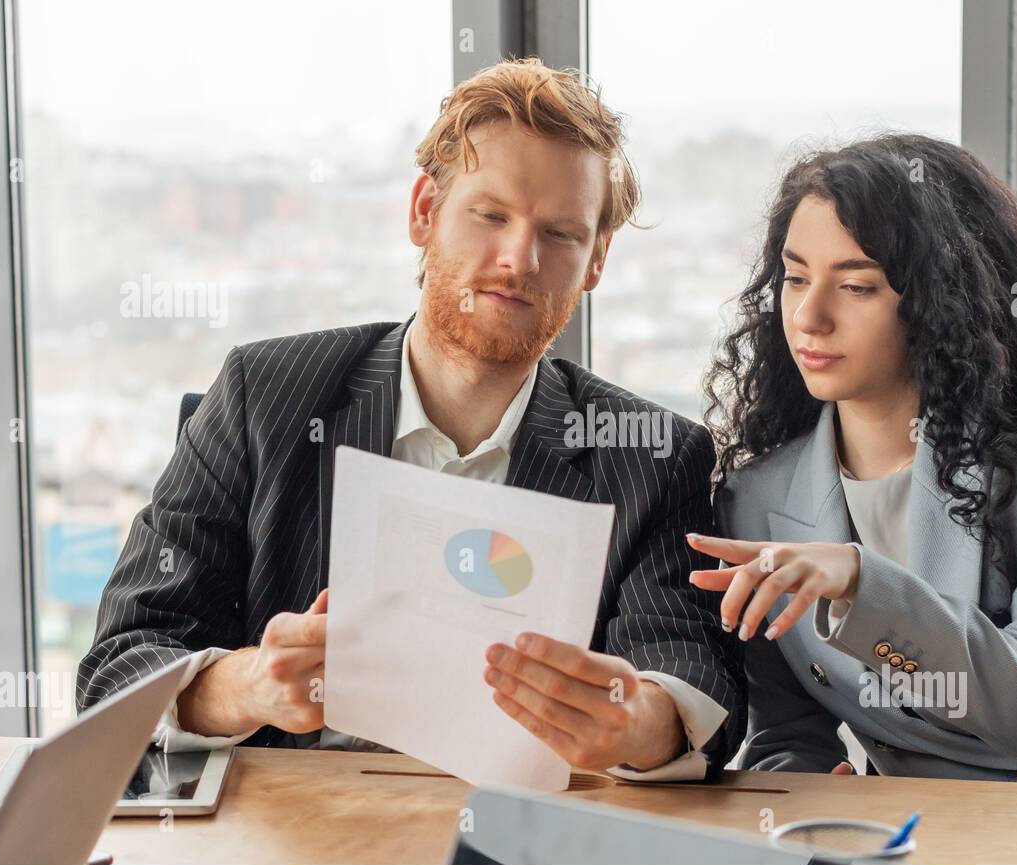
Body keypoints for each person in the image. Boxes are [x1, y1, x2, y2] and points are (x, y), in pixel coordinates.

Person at [78, 58, 744, 781]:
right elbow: (121, 662)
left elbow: (693, 682)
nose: (519, 259)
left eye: (559, 233)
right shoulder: (261, 396)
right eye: (490, 215)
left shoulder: (653, 457)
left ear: (596, 260)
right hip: (286, 838)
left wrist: (631, 724)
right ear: (424, 211)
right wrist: (250, 686)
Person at [691, 133, 1017, 787]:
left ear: (937, 302)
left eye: (858, 286)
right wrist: (810, 792)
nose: (809, 316)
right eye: (797, 277)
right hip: (936, 834)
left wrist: (864, 587)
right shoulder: (757, 497)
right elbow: (787, 733)